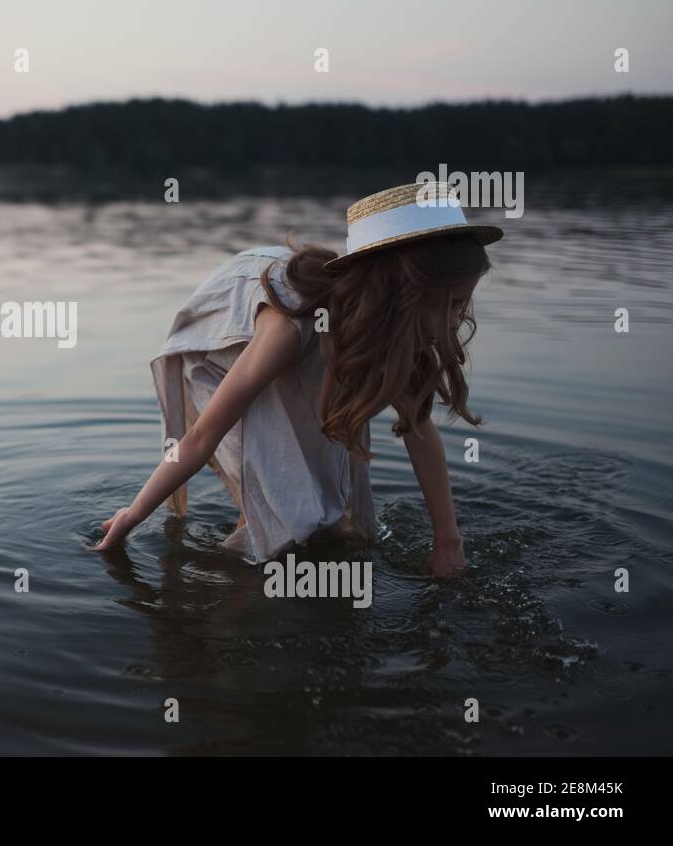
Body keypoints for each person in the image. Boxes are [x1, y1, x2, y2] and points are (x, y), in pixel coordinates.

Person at [92, 182, 502, 578]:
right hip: (223, 341)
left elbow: (418, 424)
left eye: (461, 304)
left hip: (332, 325)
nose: (453, 322)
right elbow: (203, 434)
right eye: (445, 305)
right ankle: (244, 585)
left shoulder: (395, 325)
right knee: (282, 499)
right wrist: (135, 512)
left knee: (333, 511)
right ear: (400, 293)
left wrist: (448, 540)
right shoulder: (288, 329)